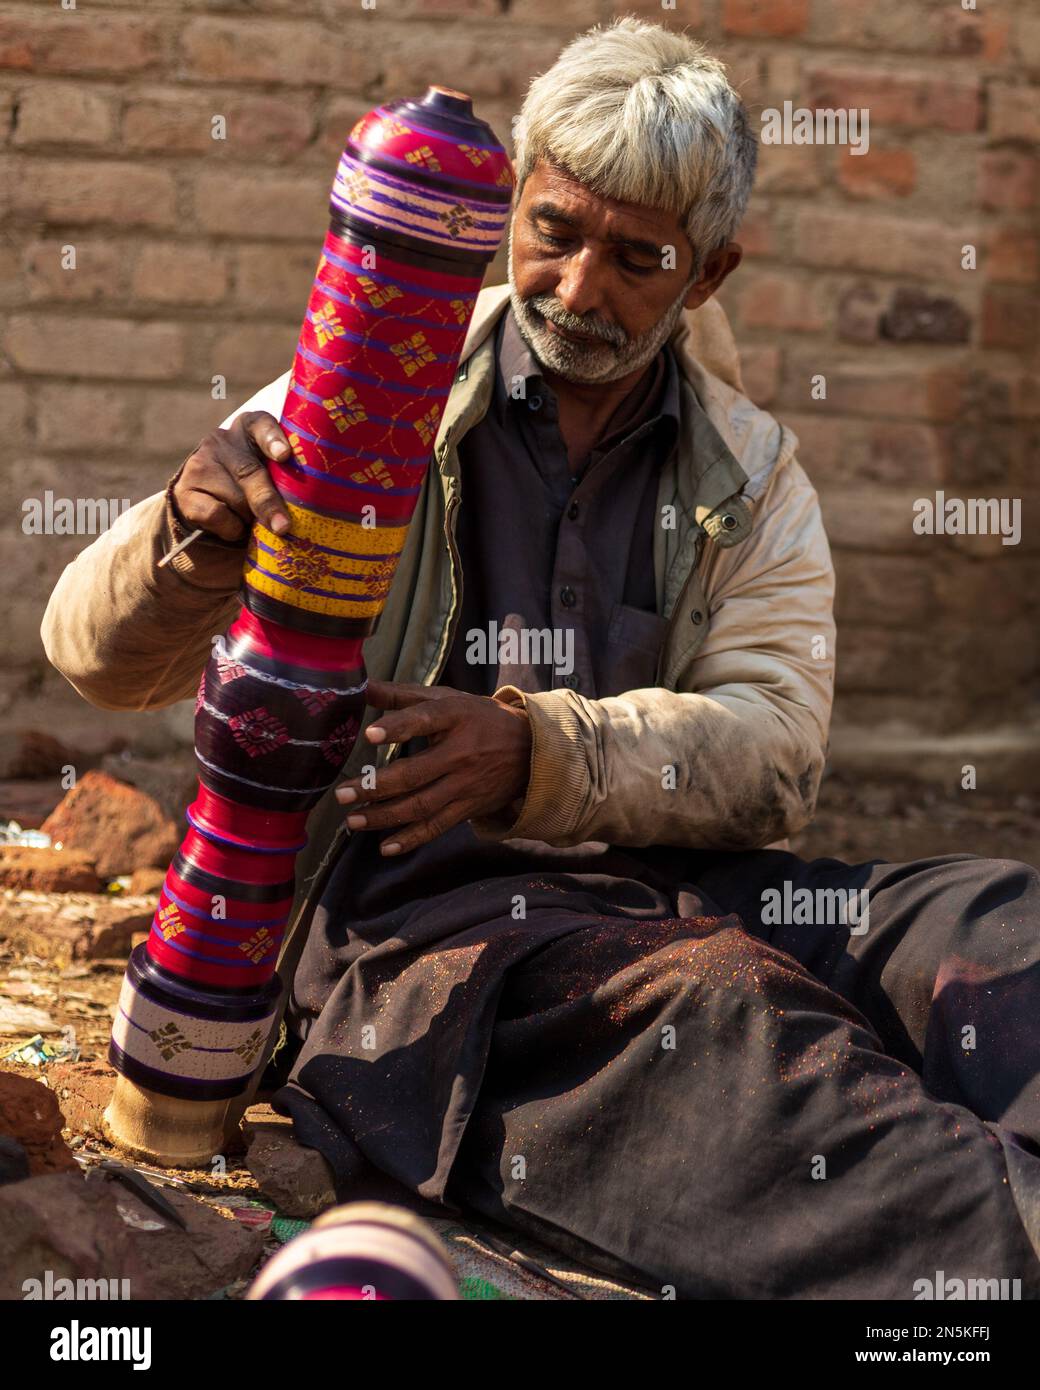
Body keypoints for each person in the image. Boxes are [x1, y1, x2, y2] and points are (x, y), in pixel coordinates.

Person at [41, 18, 1040, 1298]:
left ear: (709, 272)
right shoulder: (374, 387)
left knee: (995, 922)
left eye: (637, 259)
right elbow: (89, 653)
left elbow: (775, 751)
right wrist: (187, 530)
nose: (578, 289)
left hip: (690, 889)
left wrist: (543, 752)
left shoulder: (747, 471)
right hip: (413, 934)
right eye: (553, 233)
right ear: (513, 207)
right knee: (725, 1022)